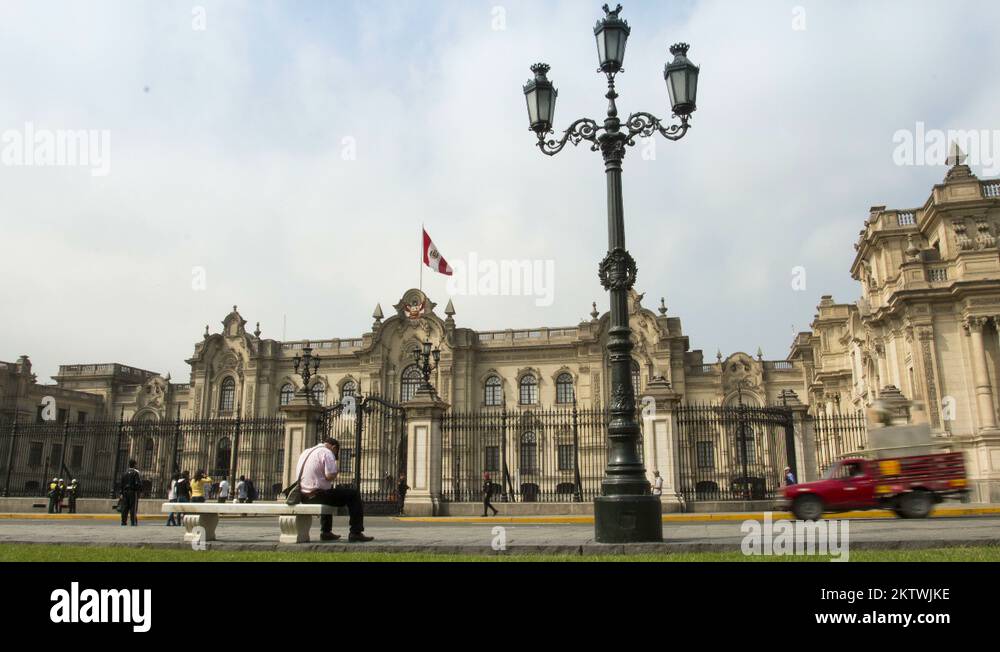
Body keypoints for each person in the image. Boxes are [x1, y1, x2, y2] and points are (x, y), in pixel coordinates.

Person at [295, 437, 372, 542]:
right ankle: (356, 532)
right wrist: (336, 471)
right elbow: (329, 476)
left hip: (303, 496)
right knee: (353, 494)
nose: (335, 456)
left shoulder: (306, 452)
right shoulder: (327, 452)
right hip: (316, 496)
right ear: (334, 448)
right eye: (336, 454)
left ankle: (326, 532)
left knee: (328, 491)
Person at [119, 460, 142, 527]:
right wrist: (139, 490)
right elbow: (137, 483)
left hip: (125, 492)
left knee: (125, 507)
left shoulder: (124, 473)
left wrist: (121, 493)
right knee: (133, 508)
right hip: (132, 492)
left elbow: (121, 484)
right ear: (134, 465)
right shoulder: (135, 473)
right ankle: (133, 522)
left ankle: (123, 521)